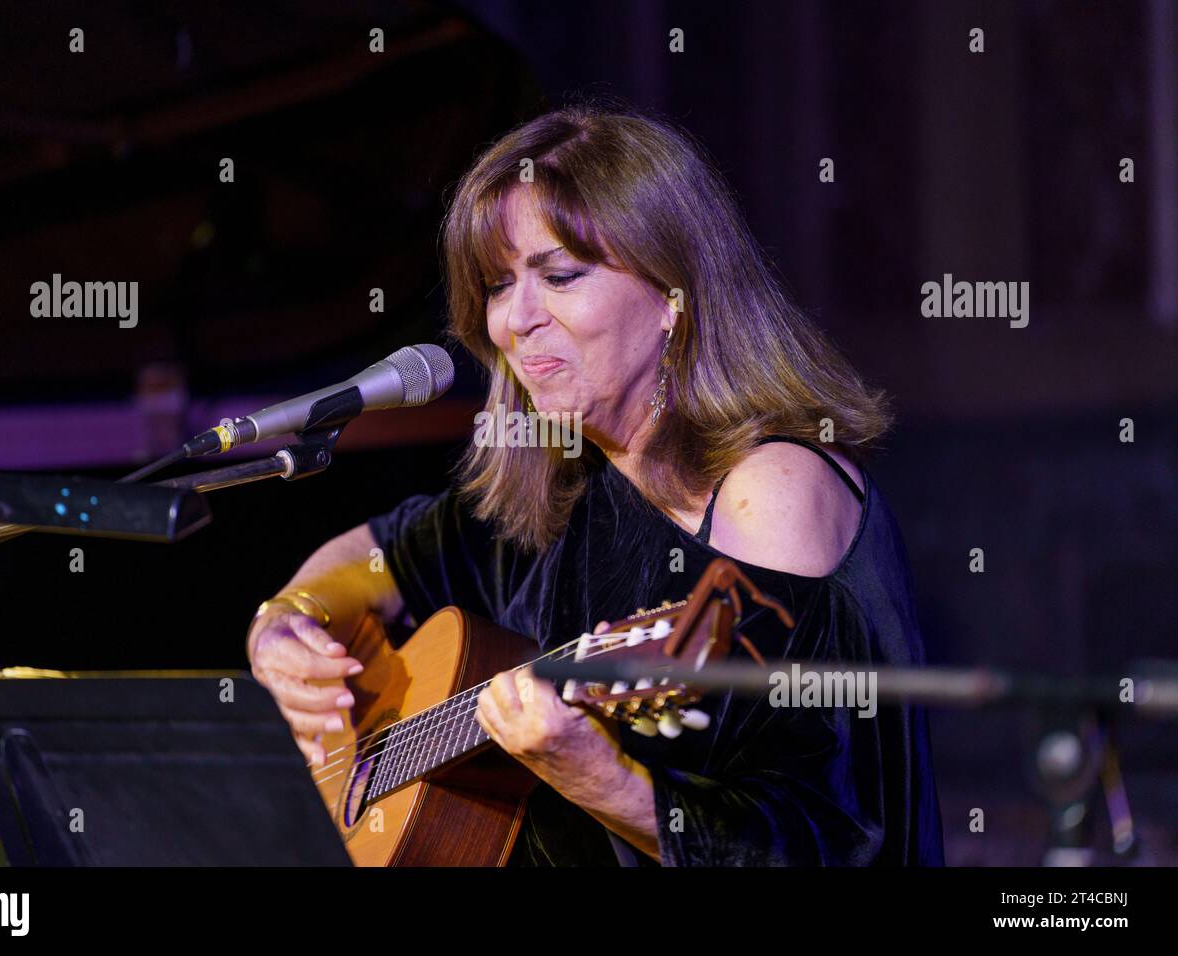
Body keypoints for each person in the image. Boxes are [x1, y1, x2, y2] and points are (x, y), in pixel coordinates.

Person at [246, 103, 945, 866]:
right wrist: (288, 621)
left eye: (560, 276)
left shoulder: (769, 490)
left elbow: (818, 843)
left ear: (673, 295)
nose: (516, 319)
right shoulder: (565, 483)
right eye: (497, 285)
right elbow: (378, 554)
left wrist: (602, 778)